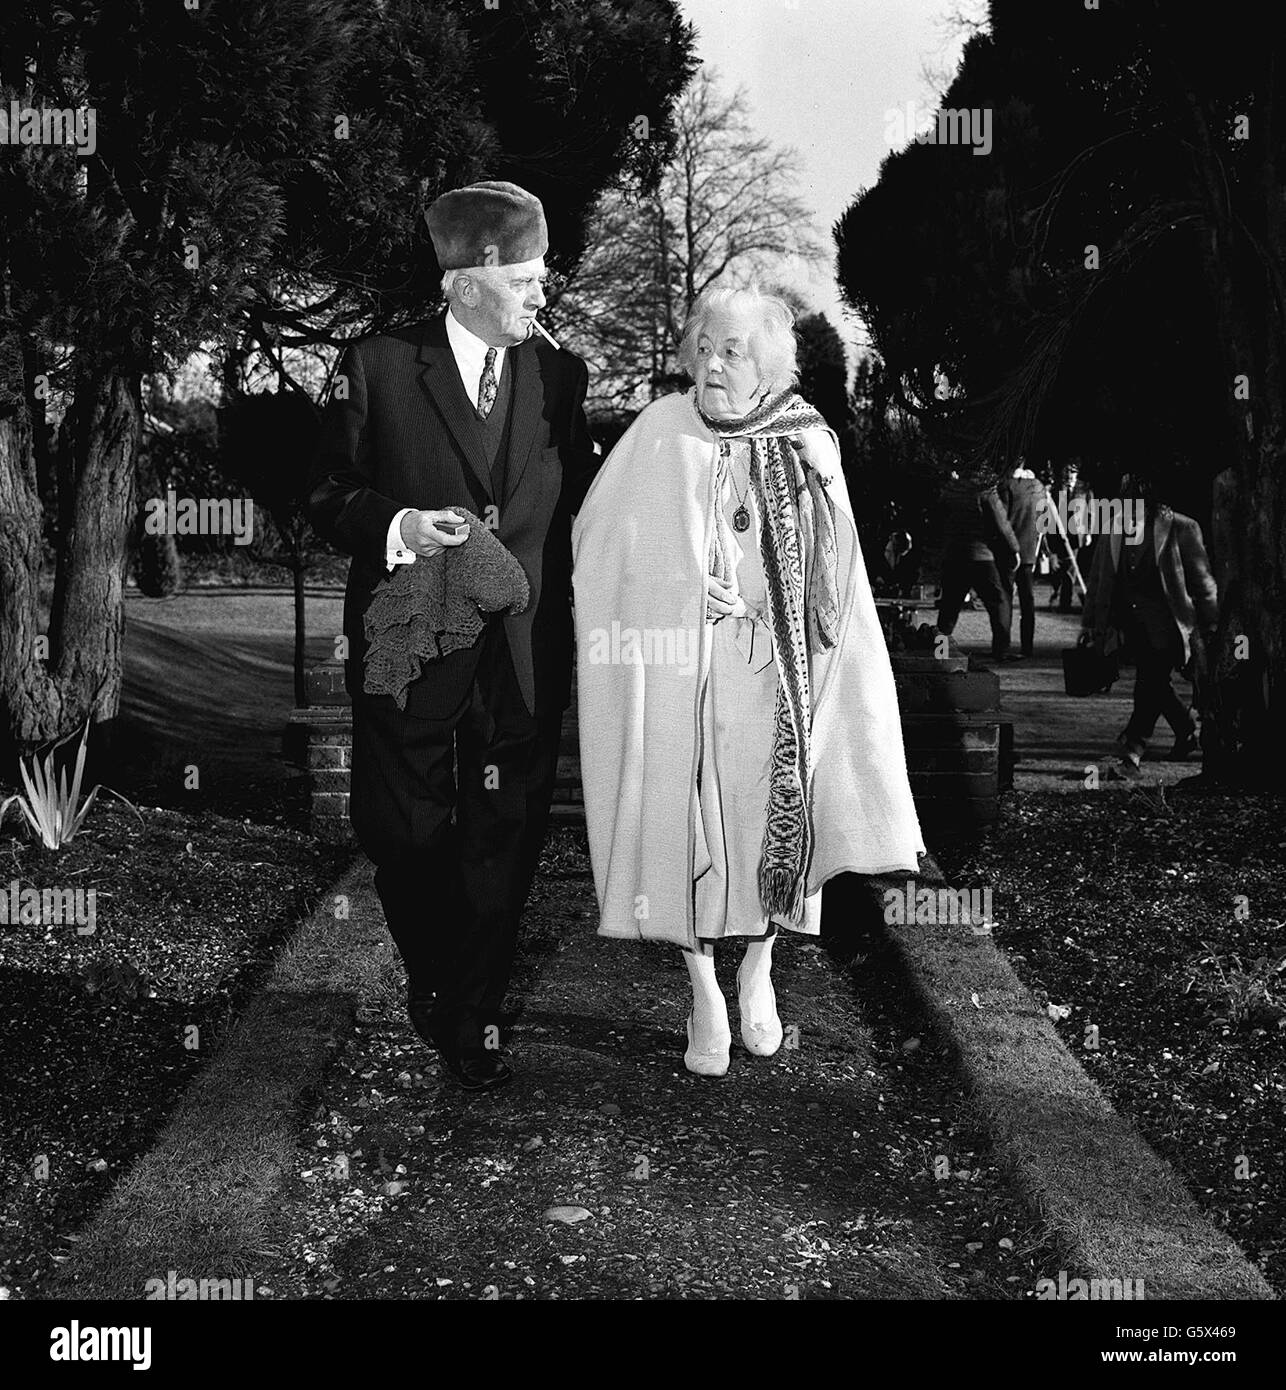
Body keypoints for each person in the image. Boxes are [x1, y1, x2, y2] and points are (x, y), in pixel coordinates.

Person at [572, 285, 924, 1077]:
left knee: (772, 830)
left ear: (767, 363)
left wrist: (765, 594)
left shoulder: (806, 441)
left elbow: (837, 575)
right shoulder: (658, 433)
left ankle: (759, 973)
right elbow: (597, 544)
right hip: (678, 677)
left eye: (732, 350)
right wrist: (675, 585)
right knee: (686, 833)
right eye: (704, 347)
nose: (712, 364)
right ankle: (702, 992)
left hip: (774, 681)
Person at [306, 181, 597, 1091]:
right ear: (470, 279)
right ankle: (439, 978)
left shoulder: (563, 377)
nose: (542, 297)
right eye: (526, 279)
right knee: (403, 829)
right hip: (414, 640)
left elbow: (584, 506)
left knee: (503, 834)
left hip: (521, 648)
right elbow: (325, 495)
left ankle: (467, 1012)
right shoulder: (379, 365)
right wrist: (397, 526)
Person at [1081, 475, 1218, 778]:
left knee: (1149, 684)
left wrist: (1211, 625)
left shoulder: (1182, 527)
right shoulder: (1114, 529)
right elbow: (1099, 578)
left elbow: (1202, 580)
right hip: (1131, 626)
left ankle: (1133, 750)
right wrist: (1091, 623)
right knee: (1156, 684)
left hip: (1170, 626)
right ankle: (1185, 731)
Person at [935, 468, 1020, 661]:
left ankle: (940, 652)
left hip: (954, 556)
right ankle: (1001, 651)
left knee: (948, 608)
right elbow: (1002, 524)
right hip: (981, 555)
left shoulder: (950, 491)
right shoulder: (986, 491)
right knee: (999, 603)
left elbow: (939, 523)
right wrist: (1014, 549)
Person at [997, 458, 1049, 658]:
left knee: (1006, 600)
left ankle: (1003, 644)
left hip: (1009, 551)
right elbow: (1043, 523)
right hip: (1029, 550)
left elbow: (1002, 520)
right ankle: (1027, 646)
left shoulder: (1006, 486)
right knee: (1028, 601)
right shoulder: (1038, 487)